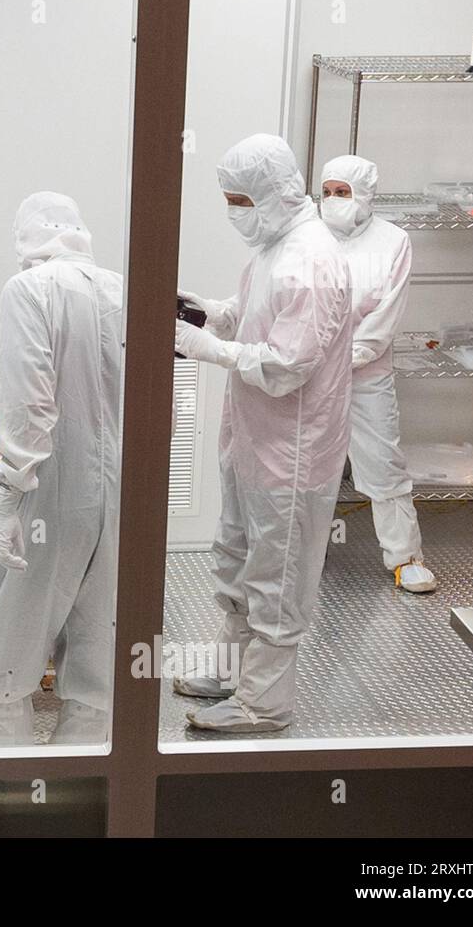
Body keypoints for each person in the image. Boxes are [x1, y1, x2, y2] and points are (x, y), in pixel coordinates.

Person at [173, 134, 352, 732]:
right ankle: (232, 671)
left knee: (276, 578)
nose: (232, 212)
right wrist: (213, 313)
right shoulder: (277, 245)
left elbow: (285, 366)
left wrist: (211, 350)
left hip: (291, 453)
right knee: (237, 557)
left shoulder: (312, 262)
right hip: (254, 443)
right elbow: (255, 310)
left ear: (270, 193)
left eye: (237, 200)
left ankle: (263, 703)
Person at [0, 192, 123, 746]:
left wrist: (9, 496)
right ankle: (82, 793)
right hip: (118, 497)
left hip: (49, 491)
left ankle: (7, 792)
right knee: (96, 651)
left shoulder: (28, 290)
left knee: (11, 643)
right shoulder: (120, 289)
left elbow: (29, 403)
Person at [321, 154, 436, 593]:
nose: (332, 201)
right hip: (310, 374)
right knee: (308, 466)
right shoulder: (307, 237)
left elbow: (385, 316)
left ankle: (405, 557)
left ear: (366, 195)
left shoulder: (393, 240)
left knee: (383, 464)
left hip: (366, 374)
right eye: (327, 192)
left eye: (343, 192)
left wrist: (347, 356)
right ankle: (302, 556)